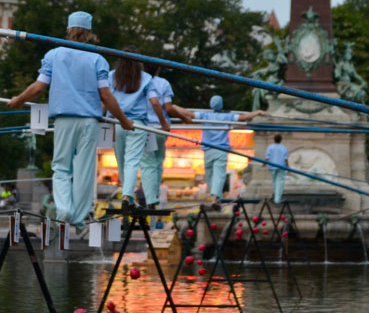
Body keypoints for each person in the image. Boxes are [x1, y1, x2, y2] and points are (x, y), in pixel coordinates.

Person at [8, 11, 133, 230]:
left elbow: (38, 87)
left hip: (65, 119)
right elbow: (105, 95)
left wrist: (18, 100)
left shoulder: (53, 56)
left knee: (61, 168)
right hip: (89, 122)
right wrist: (123, 120)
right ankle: (78, 216)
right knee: (84, 170)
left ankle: (64, 208)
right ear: (90, 34)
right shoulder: (98, 59)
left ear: (67, 30)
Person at [108, 48, 163, 208]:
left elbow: (105, 100)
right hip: (137, 125)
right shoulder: (145, 78)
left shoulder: (112, 76)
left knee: (121, 162)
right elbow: (154, 102)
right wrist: (164, 123)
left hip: (117, 122)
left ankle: (128, 197)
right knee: (132, 161)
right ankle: (127, 196)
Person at [139, 67, 194, 211]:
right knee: (157, 162)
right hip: (160, 128)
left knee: (147, 163)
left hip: (146, 127)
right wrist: (184, 118)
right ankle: (154, 194)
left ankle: (149, 197)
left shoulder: (138, 80)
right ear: (158, 68)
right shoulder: (163, 83)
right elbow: (168, 108)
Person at [194, 96, 261, 211]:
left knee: (210, 175)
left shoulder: (205, 115)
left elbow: (189, 114)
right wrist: (257, 112)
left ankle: (215, 199)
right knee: (218, 175)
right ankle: (216, 198)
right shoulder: (226, 116)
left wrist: (173, 107)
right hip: (220, 149)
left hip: (208, 150)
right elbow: (244, 117)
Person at [265, 134, 290, 204]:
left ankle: (276, 197)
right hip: (281, 167)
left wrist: (264, 163)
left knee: (275, 182)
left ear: (274, 139)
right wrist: (288, 167)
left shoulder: (270, 147)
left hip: (272, 167)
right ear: (281, 140)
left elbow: (267, 157)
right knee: (280, 182)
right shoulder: (283, 147)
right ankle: (277, 199)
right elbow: (286, 158)